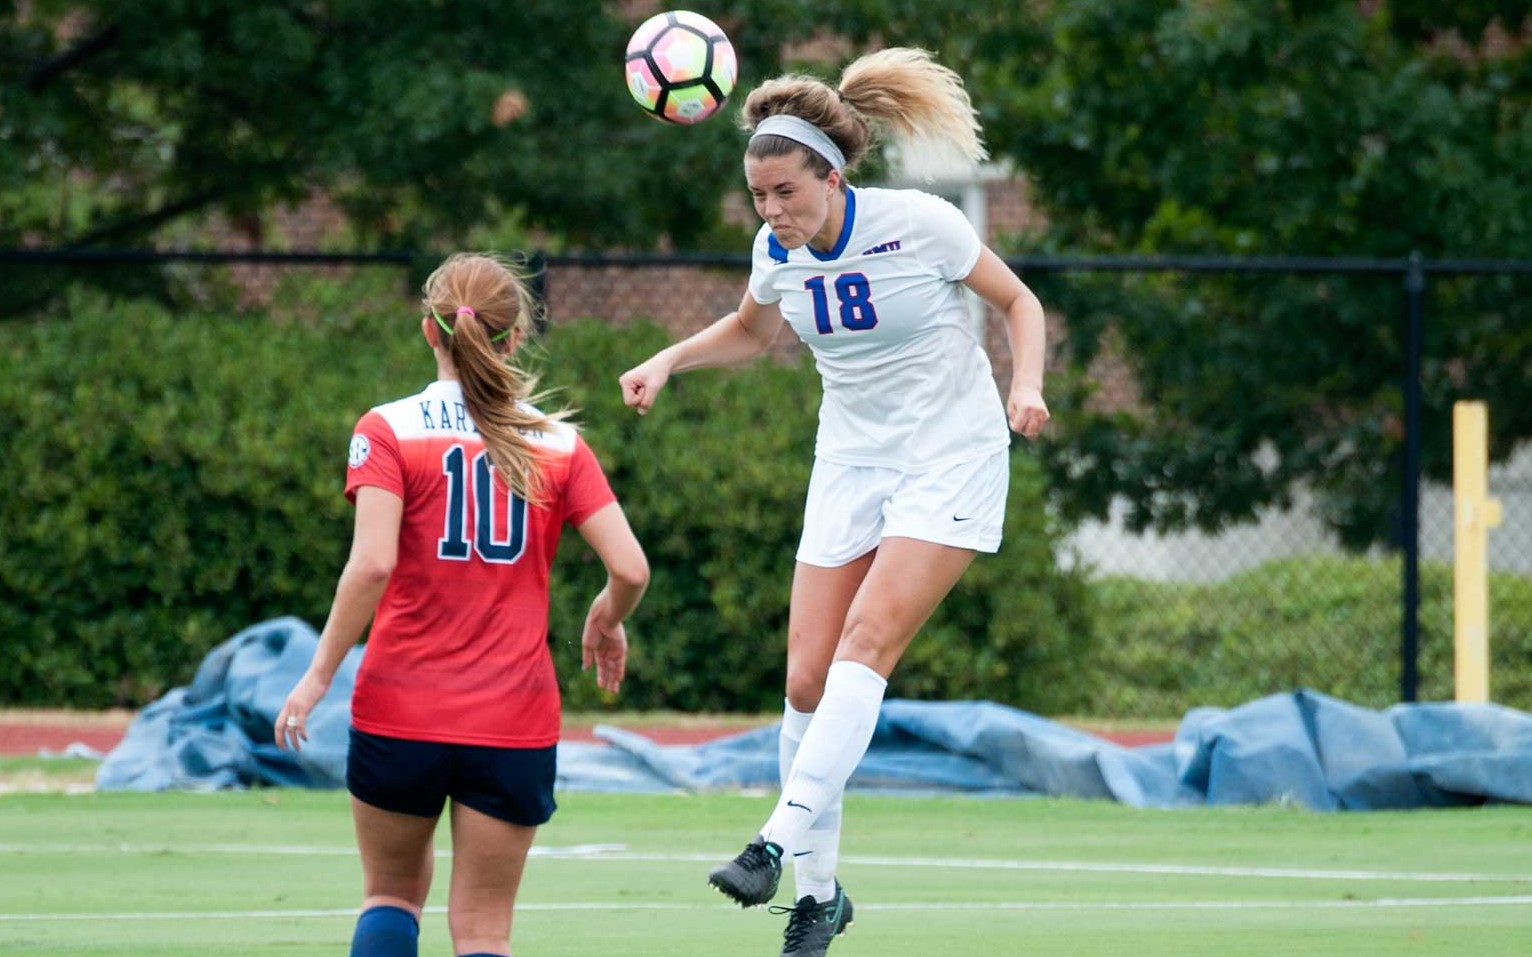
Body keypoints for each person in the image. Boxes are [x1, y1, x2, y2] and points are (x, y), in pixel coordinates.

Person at [618, 47, 1049, 957]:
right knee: (807, 681)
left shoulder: (919, 224)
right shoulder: (775, 249)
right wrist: (668, 359)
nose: (773, 212)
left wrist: (1027, 386)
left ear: (833, 174)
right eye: (759, 197)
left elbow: (1020, 302)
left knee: (866, 645)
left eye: (786, 192)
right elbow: (750, 329)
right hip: (852, 458)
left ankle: (774, 838)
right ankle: (819, 898)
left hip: (950, 452)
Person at [276, 252, 649, 957]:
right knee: (483, 928)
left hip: (400, 707)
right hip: (512, 717)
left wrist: (320, 672)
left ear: (430, 331)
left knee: (389, 895)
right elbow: (630, 566)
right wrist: (608, 614)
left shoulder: (386, 428)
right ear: (514, 338)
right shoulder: (557, 441)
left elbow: (373, 562)